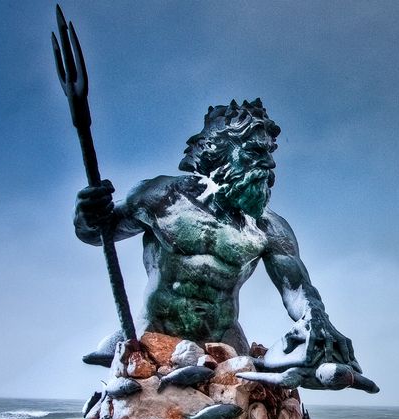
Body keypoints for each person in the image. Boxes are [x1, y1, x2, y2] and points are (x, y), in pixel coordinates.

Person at [75, 99, 367, 383]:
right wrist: (88, 214)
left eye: (270, 153)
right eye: (255, 151)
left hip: (225, 339)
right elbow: (101, 233)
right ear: (220, 151)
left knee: (237, 414)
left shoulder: (268, 227)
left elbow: (296, 287)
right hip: (154, 333)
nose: (268, 163)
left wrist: (314, 315)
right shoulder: (161, 197)